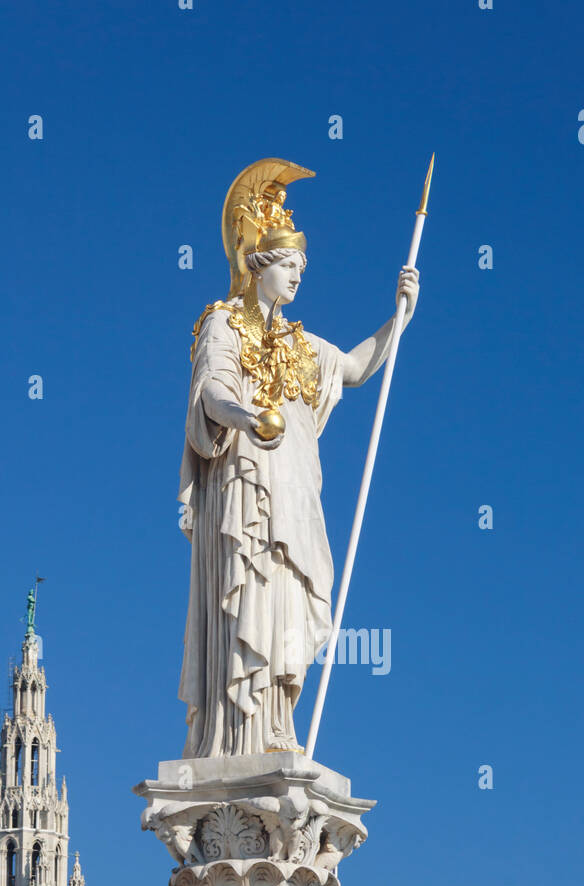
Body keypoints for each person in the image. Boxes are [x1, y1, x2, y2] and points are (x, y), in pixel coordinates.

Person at [178, 160, 420, 756]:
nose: (297, 277)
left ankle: (279, 720)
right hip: (243, 482)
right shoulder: (224, 324)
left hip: (295, 490)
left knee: (289, 591)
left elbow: (357, 368)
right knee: (249, 589)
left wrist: (400, 316)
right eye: (290, 265)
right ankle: (237, 734)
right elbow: (212, 392)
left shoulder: (303, 344)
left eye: (302, 268)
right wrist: (247, 418)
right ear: (260, 264)